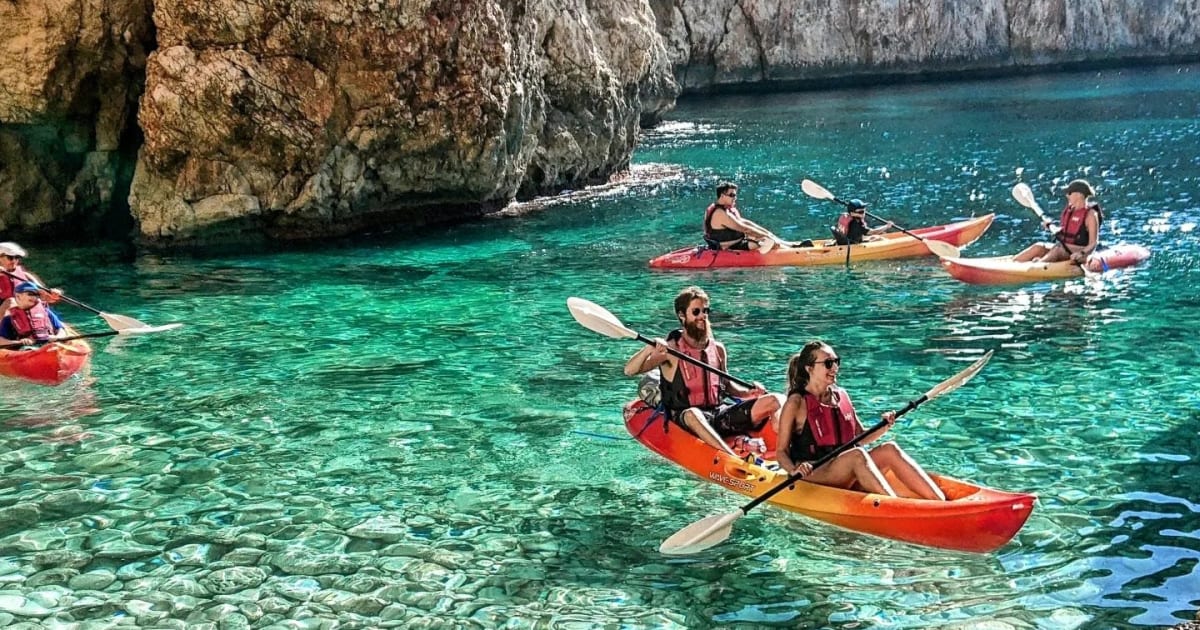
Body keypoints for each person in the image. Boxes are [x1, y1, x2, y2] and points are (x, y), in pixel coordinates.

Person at [775, 340, 946, 500]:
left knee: (889, 448)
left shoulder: (840, 396)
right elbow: (781, 451)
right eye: (828, 363)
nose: (835, 367)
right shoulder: (796, 403)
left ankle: (940, 502)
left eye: (836, 361)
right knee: (857, 455)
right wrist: (794, 470)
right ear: (809, 368)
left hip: (843, 467)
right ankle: (894, 506)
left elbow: (860, 437)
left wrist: (884, 426)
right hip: (816, 472)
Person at [624, 286, 784, 453]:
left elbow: (727, 386)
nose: (702, 316)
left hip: (718, 414)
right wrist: (648, 349)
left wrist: (749, 393)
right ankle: (731, 458)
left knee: (776, 399)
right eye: (696, 311)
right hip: (686, 419)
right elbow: (630, 370)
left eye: (705, 311)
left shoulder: (718, 349)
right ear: (681, 315)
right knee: (693, 413)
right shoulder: (672, 351)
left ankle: (784, 448)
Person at [1013, 179, 1101, 264]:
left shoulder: (1091, 215)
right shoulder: (1070, 210)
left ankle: (1038, 265)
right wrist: (1049, 226)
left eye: (1069, 193)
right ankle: (1013, 263)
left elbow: (1093, 243)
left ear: (1079, 195)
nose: (1067, 195)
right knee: (1039, 246)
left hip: (1081, 251)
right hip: (1065, 247)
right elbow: (1064, 231)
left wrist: (1081, 254)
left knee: (1058, 248)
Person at [703, 182, 789, 251]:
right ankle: (787, 250)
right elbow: (745, 229)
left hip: (737, 242)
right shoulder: (719, 213)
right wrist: (768, 238)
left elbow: (745, 223)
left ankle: (789, 245)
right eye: (732, 195)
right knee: (767, 242)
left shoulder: (726, 209)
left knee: (766, 237)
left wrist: (768, 234)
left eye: (735, 195)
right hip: (729, 246)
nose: (735, 198)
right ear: (722, 196)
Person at [0, 241, 60, 314]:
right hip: (6, 313)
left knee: (39, 302)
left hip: (24, 311)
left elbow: (46, 297)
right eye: (10, 257)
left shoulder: (26, 276)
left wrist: (54, 294)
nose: (14, 261)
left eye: (17, 257)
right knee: (10, 302)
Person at [1, 282, 67, 347]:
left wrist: (57, 337)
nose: (34, 297)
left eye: (36, 294)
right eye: (30, 294)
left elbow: (61, 330)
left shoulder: (46, 312)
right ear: (18, 296)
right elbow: (1, 341)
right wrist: (19, 342)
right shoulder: (9, 319)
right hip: (27, 350)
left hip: (50, 345)